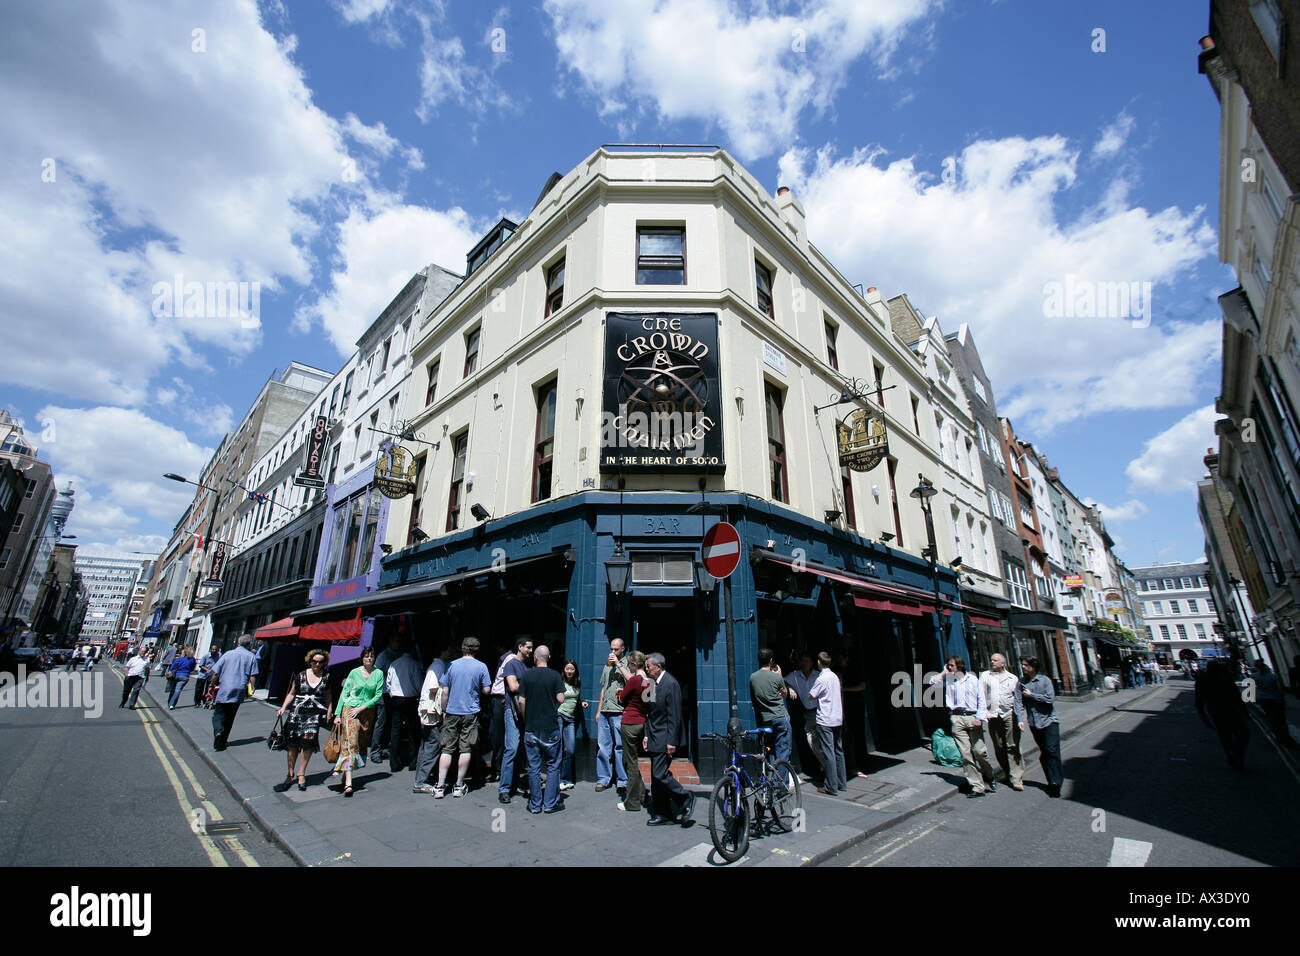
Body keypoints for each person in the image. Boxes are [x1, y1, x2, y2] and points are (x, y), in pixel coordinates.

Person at [929, 655, 997, 797]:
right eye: (948, 665)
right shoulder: (948, 679)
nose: (949, 668)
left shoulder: (972, 679)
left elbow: (981, 700)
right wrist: (944, 672)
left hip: (973, 717)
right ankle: (977, 787)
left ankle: (989, 776)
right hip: (956, 718)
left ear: (960, 666)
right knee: (965, 755)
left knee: (979, 752)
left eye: (951, 665)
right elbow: (932, 683)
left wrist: (979, 717)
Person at [434, 636, 492, 798]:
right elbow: (487, 690)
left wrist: (445, 709)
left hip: (452, 710)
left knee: (447, 748)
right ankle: (459, 785)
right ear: (476, 650)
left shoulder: (451, 665)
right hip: (470, 712)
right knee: (465, 748)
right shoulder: (481, 667)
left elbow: (444, 691)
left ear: (463, 648)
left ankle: (440, 785)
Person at [643, 652, 695, 826]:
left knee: (659, 773)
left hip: (665, 736)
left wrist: (672, 741)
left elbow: (675, 715)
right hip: (653, 735)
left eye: (648, 666)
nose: (646, 669)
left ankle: (685, 797)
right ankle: (661, 812)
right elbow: (647, 712)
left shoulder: (671, 683)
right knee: (656, 776)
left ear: (659, 667)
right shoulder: (649, 683)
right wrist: (645, 735)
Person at [519, 644, 567, 814]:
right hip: (550, 726)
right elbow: (561, 699)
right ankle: (550, 803)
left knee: (533, 767)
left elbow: (521, 701)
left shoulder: (527, 675)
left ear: (535, 658)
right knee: (553, 765)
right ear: (549, 658)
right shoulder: (555, 676)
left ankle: (534, 804)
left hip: (532, 726)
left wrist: (526, 719)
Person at [276, 649, 332, 792]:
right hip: (297, 713)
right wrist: (283, 708)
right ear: (310, 661)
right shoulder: (300, 676)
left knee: (308, 745)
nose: (317, 665)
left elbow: (328, 696)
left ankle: (301, 774)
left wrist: (329, 711)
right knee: (292, 745)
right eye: (315, 661)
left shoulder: (326, 677)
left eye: (320, 662)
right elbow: (292, 693)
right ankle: (290, 774)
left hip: (313, 715)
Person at [331, 646, 384, 796]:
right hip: (350, 710)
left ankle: (346, 773)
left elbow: (377, 695)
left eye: (371, 656)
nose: (369, 658)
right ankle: (349, 784)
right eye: (366, 656)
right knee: (350, 743)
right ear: (362, 658)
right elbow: (345, 693)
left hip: (366, 713)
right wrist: (338, 715)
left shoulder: (378, 674)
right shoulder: (354, 673)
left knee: (360, 744)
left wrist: (362, 708)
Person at [979, 653, 1026, 790]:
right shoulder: (985, 676)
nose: (992, 662)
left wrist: (1020, 718)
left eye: (995, 660)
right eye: (991, 659)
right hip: (993, 715)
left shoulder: (1012, 678)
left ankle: (1016, 778)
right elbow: (980, 695)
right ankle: (1007, 773)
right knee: (999, 746)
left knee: (1012, 745)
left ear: (1003, 663)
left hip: (1009, 714)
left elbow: (1018, 700)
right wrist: (985, 712)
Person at [207, 634, 259, 751]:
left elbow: (216, 673)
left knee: (219, 714)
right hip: (239, 689)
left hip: (225, 688)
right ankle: (223, 741)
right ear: (249, 645)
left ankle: (218, 732)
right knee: (230, 716)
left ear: (238, 643)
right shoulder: (251, 656)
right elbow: (253, 675)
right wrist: (252, 687)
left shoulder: (228, 654)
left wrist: (211, 685)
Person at [498, 637, 534, 804]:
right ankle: (504, 788)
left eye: (532, 648)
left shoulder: (529, 666)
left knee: (521, 750)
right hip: (512, 711)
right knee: (511, 748)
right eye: (528, 647)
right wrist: (527, 686)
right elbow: (512, 687)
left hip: (526, 712)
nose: (530, 651)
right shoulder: (511, 663)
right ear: (519, 647)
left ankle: (514, 784)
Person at [1020, 657, 1063, 797]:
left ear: (1033, 666)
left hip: (1050, 721)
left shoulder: (1045, 680)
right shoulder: (1021, 683)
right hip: (1034, 723)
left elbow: (1050, 699)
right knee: (1044, 752)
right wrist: (1020, 720)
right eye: (1022, 664)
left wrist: (1032, 695)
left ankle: (1056, 783)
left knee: (1052, 750)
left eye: (1025, 664)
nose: (1023, 666)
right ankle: (1051, 780)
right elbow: (1018, 702)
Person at [596, 637, 631, 796]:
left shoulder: (627, 664)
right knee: (604, 747)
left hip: (619, 711)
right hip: (605, 711)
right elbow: (604, 688)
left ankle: (622, 781)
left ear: (622, 649)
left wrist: (618, 663)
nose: (612, 652)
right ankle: (603, 778)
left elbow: (631, 682)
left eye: (616, 649)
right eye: (611, 649)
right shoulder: (607, 664)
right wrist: (598, 710)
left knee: (619, 747)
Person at [808, 651, 847, 795]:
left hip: (825, 719)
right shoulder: (835, 677)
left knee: (828, 753)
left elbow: (811, 695)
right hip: (837, 718)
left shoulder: (821, 678)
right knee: (838, 751)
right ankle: (842, 783)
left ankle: (831, 786)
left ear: (819, 662)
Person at [616, 651, 649, 812]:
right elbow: (649, 704)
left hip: (629, 721)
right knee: (632, 761)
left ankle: (632, 802)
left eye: (629, 664)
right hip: (641, 722)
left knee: (630, 763)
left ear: (635, 665)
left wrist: (619, 693)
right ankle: (642, 795)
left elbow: (621, 699)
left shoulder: (634, 680)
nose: (629, 666)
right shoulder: (649, 681)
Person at [785, 651, 823, 784]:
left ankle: (824, 767)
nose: (804, 664)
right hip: (806, 713)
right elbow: (783, 681)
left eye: (807, 661)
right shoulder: (795, 676)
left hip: (819, 712)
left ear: (812, 663)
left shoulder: (818, 676)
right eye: (803, 661)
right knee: (810, 741)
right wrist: (790, 688)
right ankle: (817, 767)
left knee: (821, 741)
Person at [749, 648, 792, 766]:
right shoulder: (776, 677)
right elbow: (785, 694)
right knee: (783, 752)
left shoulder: (753, 677)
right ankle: (781, 782)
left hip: (765, 719)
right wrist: (780, 675)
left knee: (771, 751)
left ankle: (772, 780)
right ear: (771, 660)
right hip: (780, 717)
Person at [386, 642, 424, 773]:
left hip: (396, 698)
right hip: (410, 699)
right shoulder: (414, 664)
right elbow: (418, 683)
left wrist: (392, 694)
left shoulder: (394, 664)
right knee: (413, 731)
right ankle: (413, 762)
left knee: (395, 731)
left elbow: (388, 683)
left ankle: (394, 763)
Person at [413, 650, 445, 794]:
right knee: (433, 744)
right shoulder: (438, 666)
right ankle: (421, 781)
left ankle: (419, 778)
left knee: (426, 744)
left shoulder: (435, 665)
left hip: (426, 711)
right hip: (431, 712)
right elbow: (433, 687)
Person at [369, 635, 403, 763]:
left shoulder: (399, 654)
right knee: (381, 722)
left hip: (393, 693)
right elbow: (376, 673)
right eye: (396, 641)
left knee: (389, 722)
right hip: (383, 692)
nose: (398, 643)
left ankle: (384, 748)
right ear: (390, 642)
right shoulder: (384, 655)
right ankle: (375, 751)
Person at [557, 659, 588, 791]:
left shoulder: (577, 683)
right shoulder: (559, 682)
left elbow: (576, 697)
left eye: (572, 669)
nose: (569, 671)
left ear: (575, 671)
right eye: (567, 668)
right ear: (564, 669)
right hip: (559, 715)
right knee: (558, 748)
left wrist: (582, 703)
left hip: (570, 719)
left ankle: (566, 779)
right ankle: (557, 780)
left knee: (570, 750)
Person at [1250, 660, 1293, 747]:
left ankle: (1279, 737)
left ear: (1256, 667)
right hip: (1275, 699)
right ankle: (1286, 737)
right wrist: (1281, 699)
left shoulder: (1253, 677)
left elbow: (1252, 690)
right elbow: (1280, 689)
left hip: (1264, 700)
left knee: (1272, 718)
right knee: (1281, 719)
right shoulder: (1273, 676)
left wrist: (1253, 698)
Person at [166, 645, 197, 710]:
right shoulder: (193, 659)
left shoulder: (180, 658)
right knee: (178, 690)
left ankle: (169, 702)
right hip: (185, 676)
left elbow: (172, 667)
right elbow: (192, 668)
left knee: (173, 689)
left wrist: (169, 672)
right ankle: (172, 704)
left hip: (176, 675)